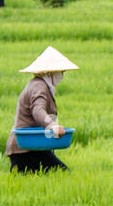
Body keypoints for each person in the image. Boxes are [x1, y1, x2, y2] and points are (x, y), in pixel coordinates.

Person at [6, 46, 78, 174]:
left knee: (58, 175)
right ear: (50, 72)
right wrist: (52, 125)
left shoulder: (41, 85)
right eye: (61, 71)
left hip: (33, 146)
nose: (62, 75)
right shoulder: (39, 87)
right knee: (61, 174)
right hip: (25, 149)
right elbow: (38, 110)